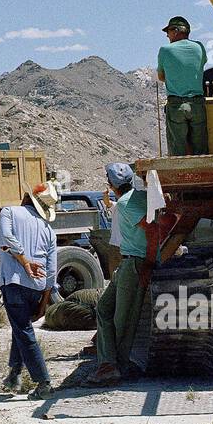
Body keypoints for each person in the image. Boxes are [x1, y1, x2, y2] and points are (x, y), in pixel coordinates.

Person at [0, 181, 60, 399]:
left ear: (26, 198)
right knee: (20, 328)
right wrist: (43, 303)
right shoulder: (48, 230)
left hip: (14, 282)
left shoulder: (9, 213)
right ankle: (14, 374)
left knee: (23, 331)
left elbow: (6, 240)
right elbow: (51, 271)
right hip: (37, 289)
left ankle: (43, 383)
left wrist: (23, 261)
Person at [92, 162, 149, 386]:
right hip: (130, 262)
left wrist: (149, 261)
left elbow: (151, 228)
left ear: (111, 184)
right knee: (106, 309)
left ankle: (112, 365)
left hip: (133, 262)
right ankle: (110, 362)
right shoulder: (139, 198)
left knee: (122, 318)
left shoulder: (125, 204)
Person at [156, 16, 210, 156]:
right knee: (200, 148)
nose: (167, 36)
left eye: (168, 32)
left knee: (177, 149)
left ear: (176, 31)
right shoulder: (199, 47)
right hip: (197, 104)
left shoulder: (165, 50)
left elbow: (161, 76)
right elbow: (200, 66)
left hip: (176, 105)